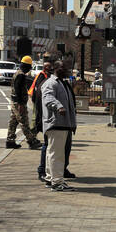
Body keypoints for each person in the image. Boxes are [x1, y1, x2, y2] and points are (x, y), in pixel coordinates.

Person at [41, 60, 77, 191]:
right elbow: (48, 97)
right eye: (63, 67)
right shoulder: (51, 83)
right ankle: (57, 182)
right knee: (57, 154)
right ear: (56, 69)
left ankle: (51, 178)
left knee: (52, 153)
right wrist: (59, 107)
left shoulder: (61, 83)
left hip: (62, 124)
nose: (66, 69)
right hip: (56, 123)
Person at [6, 56, 41, 151]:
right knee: (24, 122)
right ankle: (31, 141)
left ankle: (10, 141)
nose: (30, 69)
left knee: (13, 121)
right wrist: (21, 104)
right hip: (19, 103)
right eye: (29, 67)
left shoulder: (18, 73)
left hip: (15, 102)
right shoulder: (21, 75)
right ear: (25, 66)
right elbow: (18, 91)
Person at [31, 60, 55, 182]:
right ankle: (42, 170)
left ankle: (56, 170)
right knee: (46, 145)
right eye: (49, 68)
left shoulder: (48, 79)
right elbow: (37, 97)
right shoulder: (43, 79)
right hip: (45, 117)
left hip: (47, 118)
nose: (50, 70)